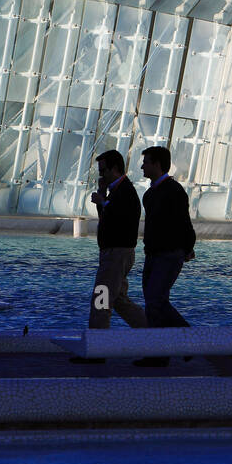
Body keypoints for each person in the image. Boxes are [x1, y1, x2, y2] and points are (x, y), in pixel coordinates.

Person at [72, 150, 148, 365]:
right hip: (115, 254)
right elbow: (108, 218)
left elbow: (121, 216)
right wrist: (102, 199)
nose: (101, 175)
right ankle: (153, 334)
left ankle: (97, 349)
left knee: (101, 299)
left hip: (116, 254)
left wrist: (103, 201)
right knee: (119, 300)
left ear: (115, 169)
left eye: (104, 170)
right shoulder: (117, 191)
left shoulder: (125, 191)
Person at [134, 145, 196, 367]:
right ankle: (166, 350)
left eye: (147, 162)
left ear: (158, 164)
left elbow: (183, 223)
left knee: (155, 300)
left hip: (168, 254)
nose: (142, 166)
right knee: (154, 302)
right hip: (153, 253)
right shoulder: (150, 194)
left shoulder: (173, 191)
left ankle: (184, 342)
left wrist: (187, 248)